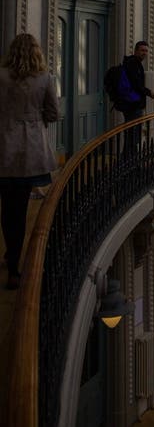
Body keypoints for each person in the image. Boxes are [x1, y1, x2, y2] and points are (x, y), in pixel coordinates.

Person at [0, 33, 59, 290]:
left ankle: (9, 256)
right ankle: (14, 266)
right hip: (30, 147)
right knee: (20, 207)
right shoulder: (45, 78)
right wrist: (36, 120)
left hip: (4, 144)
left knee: (6, 205)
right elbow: (54, 113)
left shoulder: (1, 76)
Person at [121, 40, 154, 121]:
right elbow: (136, 84)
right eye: (142, 50)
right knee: (134, 130)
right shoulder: (132, 64)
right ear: (136, 51)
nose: (144, 53)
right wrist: (149, 92)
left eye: (146, 51)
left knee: (134, 129)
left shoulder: (136, 63)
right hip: (132, 104)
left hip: (133, 103)